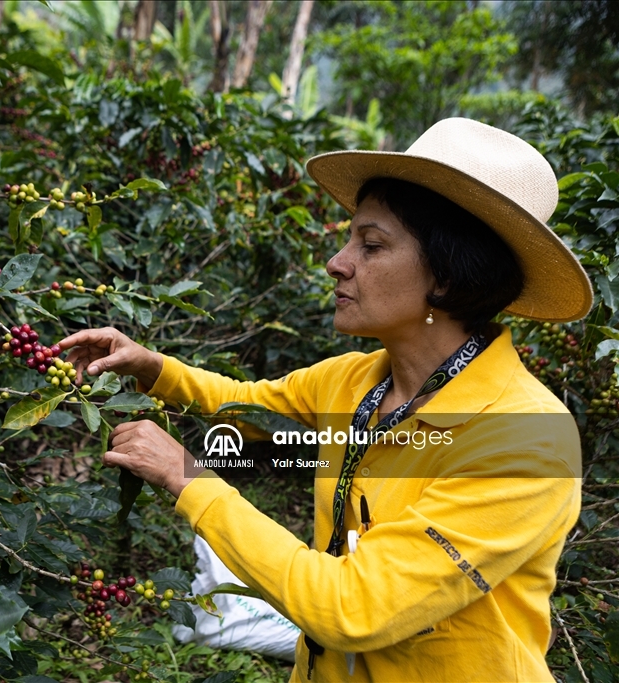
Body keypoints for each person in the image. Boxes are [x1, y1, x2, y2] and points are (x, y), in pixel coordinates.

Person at [59, 118, 590, 682]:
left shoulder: (527, 439)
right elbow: (243, 403)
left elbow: (354, 608)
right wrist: (151, 367)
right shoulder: (357, 382)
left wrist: (189, 480)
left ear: (450, 277)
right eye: (349, 239)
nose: (337, 262)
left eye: (371, 245)